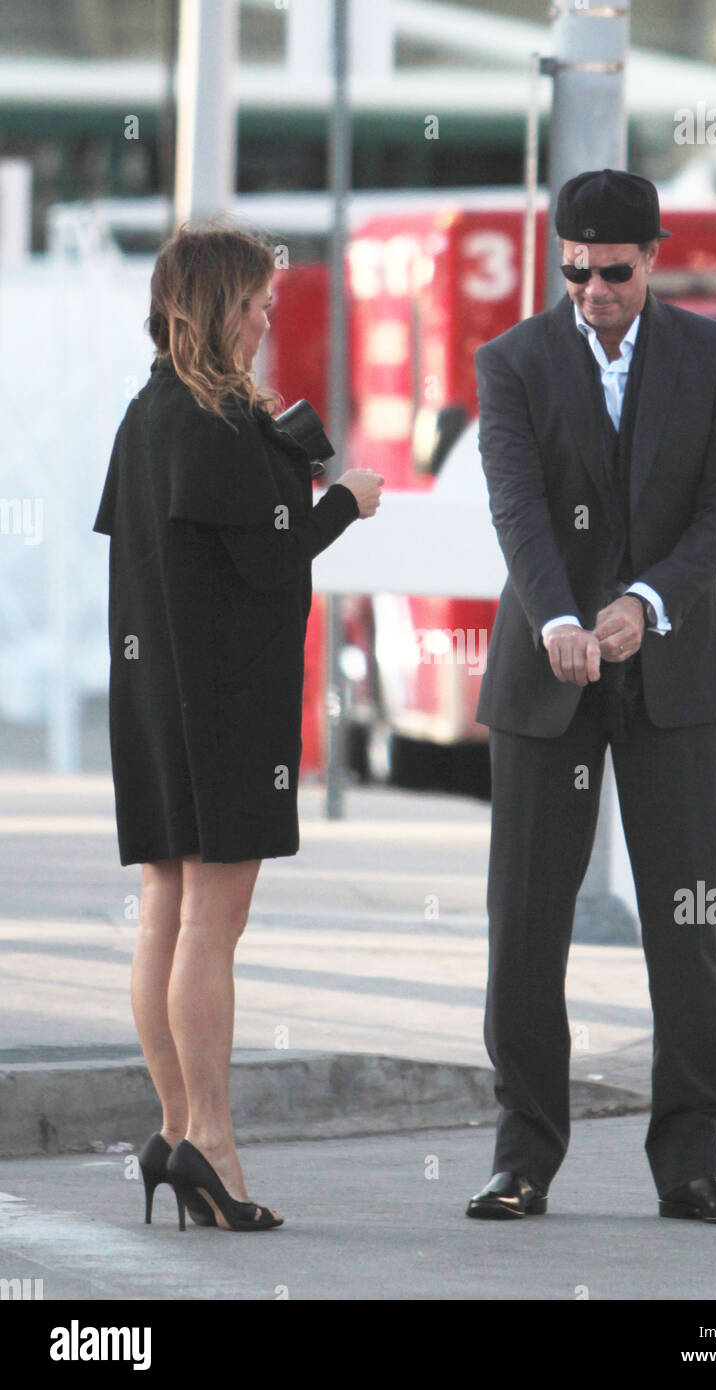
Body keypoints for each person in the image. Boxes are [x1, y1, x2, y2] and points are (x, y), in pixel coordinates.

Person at [466, 170, 716, 1225]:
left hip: (675, 678)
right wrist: (556, 617)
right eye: (573, 269)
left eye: (612, 269)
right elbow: (514, 505)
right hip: (542, 677)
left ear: (653, 255)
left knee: (683, 924)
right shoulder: (508, 362)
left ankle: (690, 1161)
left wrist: (645, 600)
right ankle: (521, 1158)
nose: (590, 288)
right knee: (524, 924)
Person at [93, 223, 383, 1231]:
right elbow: (272, 556)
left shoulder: (149, 410)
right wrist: (344, 500)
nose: (269, 314)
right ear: (219, 306)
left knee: (165, 913)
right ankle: (209, 1144)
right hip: (223, 700)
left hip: (156, 693)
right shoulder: (213, 420)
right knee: (211, 924)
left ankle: (176, 1132)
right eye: (257, 299)